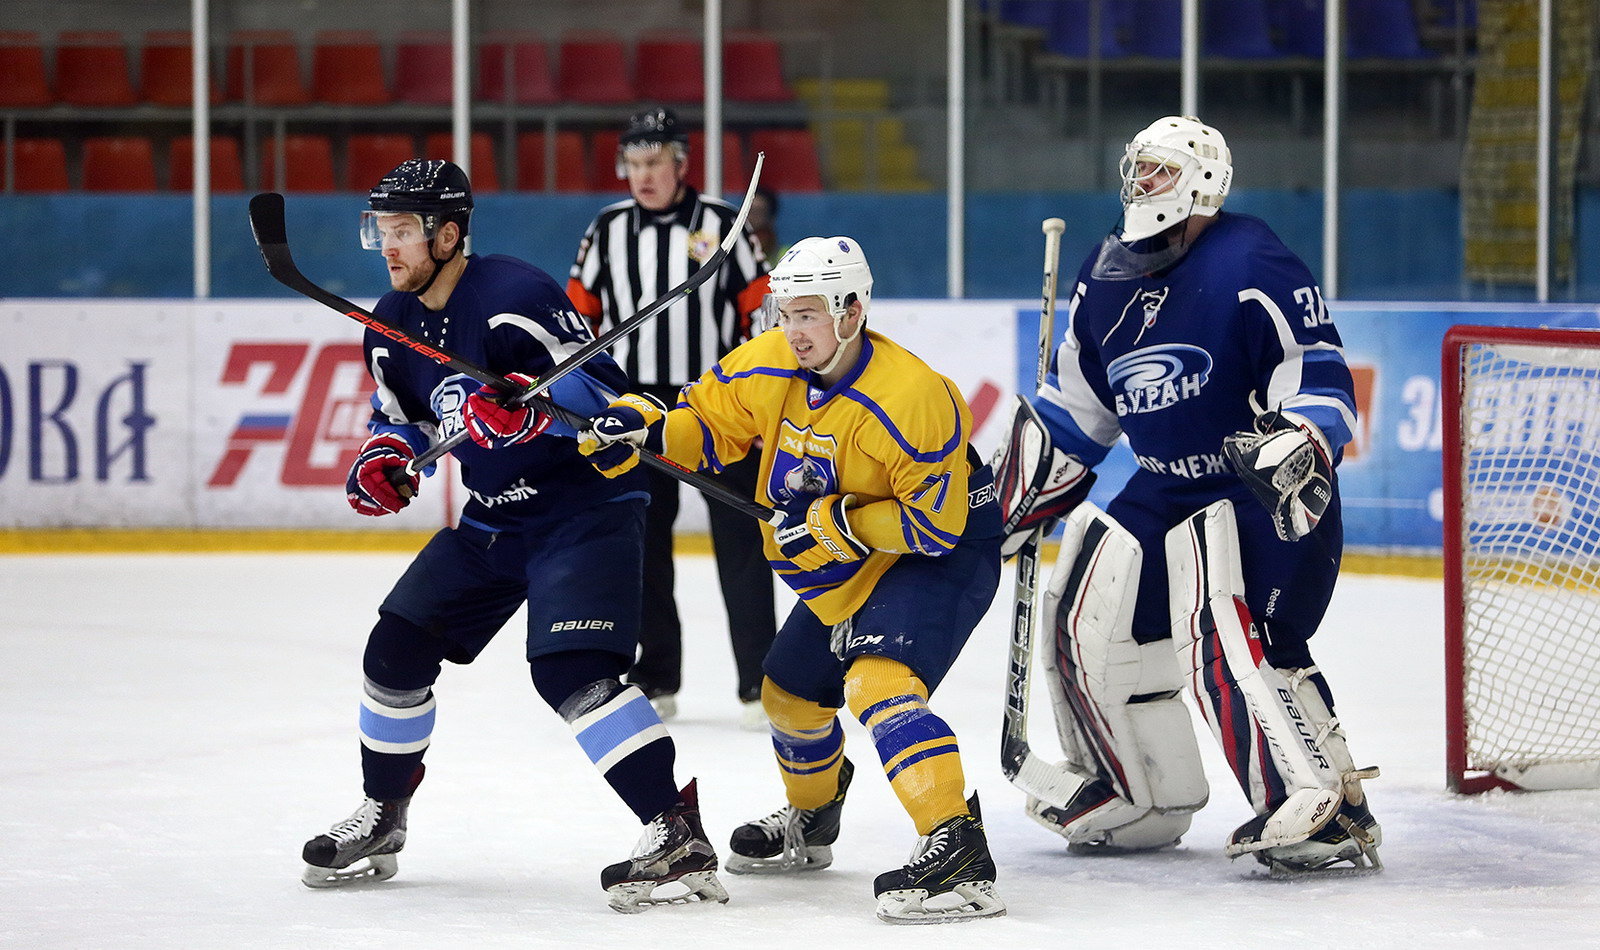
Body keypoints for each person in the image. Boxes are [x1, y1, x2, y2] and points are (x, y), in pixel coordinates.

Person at [299, 159, 727, 913]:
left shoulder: (514, 296)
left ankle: (674, 828)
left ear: (448, 233)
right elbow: (402, 419)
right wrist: (385, 459)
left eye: (401, 232)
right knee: (394, 650)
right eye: (381, 231)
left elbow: (604, 392)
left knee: (571, 670)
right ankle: (385, 815)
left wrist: (538, 410)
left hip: (585, 505)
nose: (387, 247)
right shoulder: (389, 321)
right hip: (498, 514)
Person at [992, 115, 1381, 876]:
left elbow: (1319, 370)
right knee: (1084, 607)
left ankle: (1324, 805)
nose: (1141, 184)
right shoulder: (1103, 272)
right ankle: (1133, 791)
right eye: (1137, 168)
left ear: (1206, 181)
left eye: (1161, 171)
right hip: (1165, 485)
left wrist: (1302, 439)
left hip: (1259, 487)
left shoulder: (1251, 256)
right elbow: (1080, 411)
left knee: (1225, 621)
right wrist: (1016, 494)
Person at [577, 236, 1008, 923]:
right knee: (786, 697)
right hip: (857, 545)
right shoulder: (771, 361)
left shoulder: (912, 398)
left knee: (878, 682)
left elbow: (934, 527)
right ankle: (814, 818)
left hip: (941, 549)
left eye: (807, 314)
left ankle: (959, 851)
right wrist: (644, 430)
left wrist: (837, 524)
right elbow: (704, 424)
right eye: (785, 313)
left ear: (852, 309)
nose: (792, 330)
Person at [567, 106, 776, 727]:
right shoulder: (605, 229)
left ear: (680, 163)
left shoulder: (721, 223)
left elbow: (761, 312)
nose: (643, 174)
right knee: (642, 546)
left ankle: (759, 682)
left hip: (716, 410)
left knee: (742, 544)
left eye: (654, 161)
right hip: (630, 411)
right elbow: (578, 315)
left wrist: (755, 396)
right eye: (632, 163)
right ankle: (656, 674)